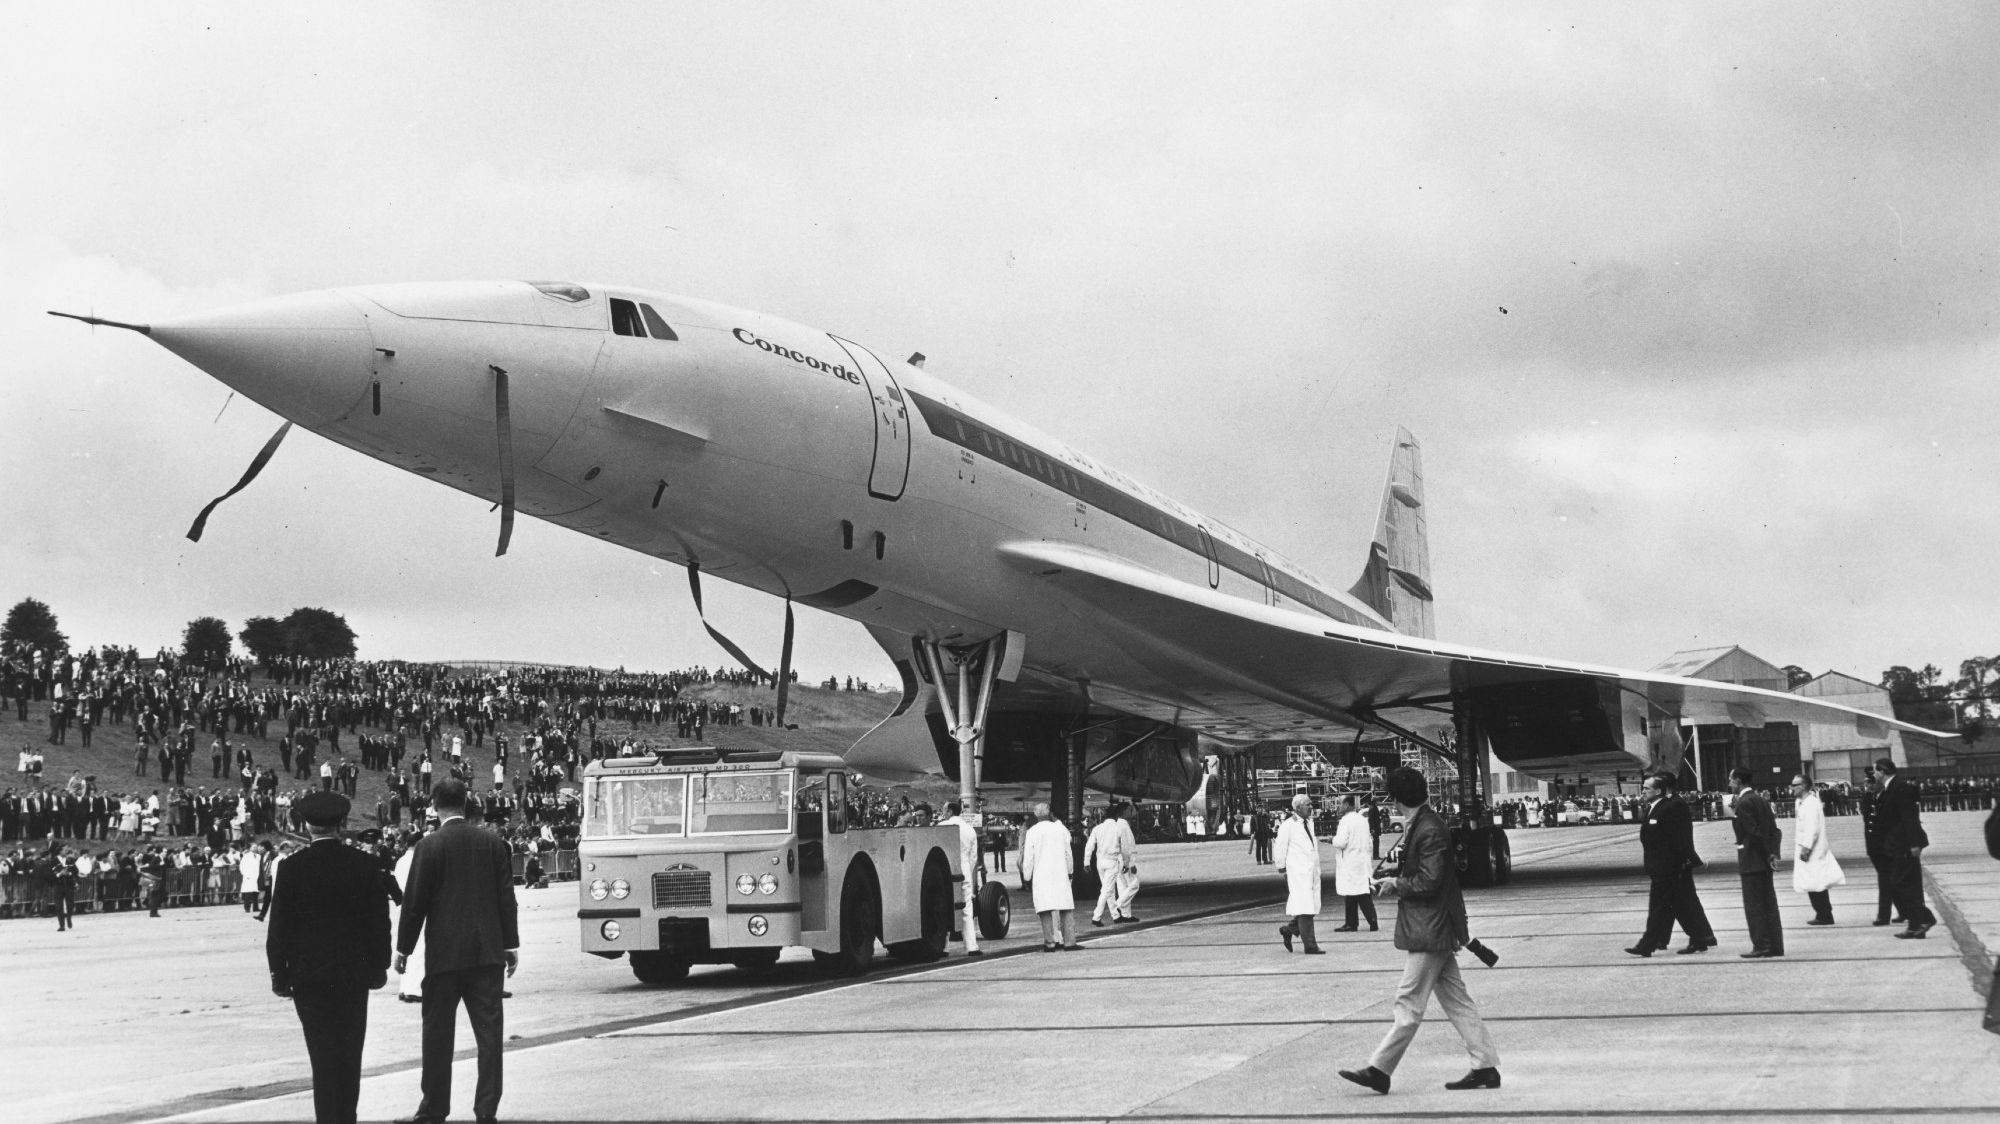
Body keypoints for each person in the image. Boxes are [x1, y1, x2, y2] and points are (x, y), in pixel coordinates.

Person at [1339, 767, 1499, 1095]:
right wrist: (1396, 878)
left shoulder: (1429, 829)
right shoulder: (1427, 823)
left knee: (1408, 1001)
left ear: (1397, 799)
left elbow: (1430, 880)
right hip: (1437, 925)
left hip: (1431, 927)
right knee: (1458, 1001)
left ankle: (1380, 1070)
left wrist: (1396, 883)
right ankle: (1485, 1067)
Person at [395, 779, 519, 1124]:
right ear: (466, 803)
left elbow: (414, 904)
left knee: (437, 1035)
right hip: (486, 954)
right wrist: (510, 944)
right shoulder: (493, 843)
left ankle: (434, 1109)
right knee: (489, 1035)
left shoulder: (429, 846)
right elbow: (506, 899)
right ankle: (486, 1110)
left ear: (434, 806)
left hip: (444, 956)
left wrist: (403, 948)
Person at [267, 790, 391, 1124]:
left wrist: (279, 974)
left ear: (306, 826)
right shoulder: (365, 864)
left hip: (308, 978)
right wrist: (380, 966)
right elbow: (379, 921)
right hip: (353, 975)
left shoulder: (291, 868)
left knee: (321, 1057)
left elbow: (278, 926)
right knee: (350, 1056)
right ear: (343, 823)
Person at [1625, 773, 1717, 956]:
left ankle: (1647, 945)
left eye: (1647, 788)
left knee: (1660, 907)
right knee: (1680, 905)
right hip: (1662, 867)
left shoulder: (1670, 806)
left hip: (1668, 868)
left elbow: (1678, 838)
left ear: (1659, 789)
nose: (1642, 791)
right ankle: (1700, 938)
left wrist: (1686, 860)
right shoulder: (1657, 806)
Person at [1874, 758, 1937, 939]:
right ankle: (1916, 925)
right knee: (1907, 884)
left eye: (1875, 771)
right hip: (1898, 844)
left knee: (1900, 883)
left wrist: (1914, 844)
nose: (1874, 775)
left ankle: (1925, 918)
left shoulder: (1900, 788)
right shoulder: (1891, 788)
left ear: (1882, 771)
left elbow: (1909, 817)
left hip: (1905, 844)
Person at [1729, 768, 1785, 958]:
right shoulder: (1761, 799)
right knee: (1769, 904)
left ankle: (1761, 945)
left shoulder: (1744, 803)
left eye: (1731, 780)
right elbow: (1775, 831)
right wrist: (1773, 854)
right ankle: (1775, 946)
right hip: (1763, 861)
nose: (1729, 784)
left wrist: (1767, 854)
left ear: (1738, 781)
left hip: (1752, 860)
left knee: (1754, 906)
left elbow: (1753, 833)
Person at [1017, 802, 1079, 952]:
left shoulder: (1032, 831)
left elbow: (1028, 856)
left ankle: (1050, 943)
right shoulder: (1060, 829)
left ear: (1035, 815)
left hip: (1041, 874)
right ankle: (1069, 942)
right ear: (1049, 813)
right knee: (1065, 908)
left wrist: (1027, 876)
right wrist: (1070, 870)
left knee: (1045, 909)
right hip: (1060, 873)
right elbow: (1068, 853)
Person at [1272, 794, 1325, 954]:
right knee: (1306, 906)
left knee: (1310, 905)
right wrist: (1281, 868)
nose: (1311, 807)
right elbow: (1280, 847)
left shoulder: (1309, 823)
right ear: (1298, 808)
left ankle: (1289, 929)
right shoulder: (1288, 825)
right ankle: (1310, 946)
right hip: (1298, 872)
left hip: (1311, 870)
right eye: (1308, 805)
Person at [1790, 775, 1845, 926]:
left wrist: (1806, 848)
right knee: (1813, 881)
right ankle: (1823, 913)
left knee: (1816, 882)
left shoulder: (1811, 804)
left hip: (1812, 849)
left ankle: (1824, 914)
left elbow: (1812, 829)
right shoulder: (1800, 802)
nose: (1792, 788)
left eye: (1795, 785)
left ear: (1804, 786)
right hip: (1807, 848)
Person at [938, 800, 984, 957]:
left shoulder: (941, 827)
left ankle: (943, 947)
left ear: (950, 812)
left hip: (944, 873)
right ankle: (971, 946)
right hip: (963, 871)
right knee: (966, 910)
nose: (943, 813)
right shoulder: (970, 830)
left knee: (943, 908)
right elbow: (973, 858)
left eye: (944, 810)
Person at [1083, 801, 1138, 926]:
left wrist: (1086, 862)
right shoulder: (1118, 828)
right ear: (1116, 816)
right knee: (1107, 890)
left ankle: (1115, 915)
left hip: (1099, 862)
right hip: (1112, 861)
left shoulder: (1098, 828)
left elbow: (1089, 846)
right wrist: (1126, 863)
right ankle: (1096, 917)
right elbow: (1124, 849)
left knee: (1109, 890)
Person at [1331, 794, 1378, 932]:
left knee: (1352, 892)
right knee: (1362, 891)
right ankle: (1371, 920)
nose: (1338, 807)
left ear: (1347, 805)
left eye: (1340, 803)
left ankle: (1352, 923)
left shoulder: (1345, 821)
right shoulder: (1362, 819)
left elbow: (1341, 842)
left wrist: (1332, 840)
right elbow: (1369, 841)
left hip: (1351, 861)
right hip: (1362, 860)